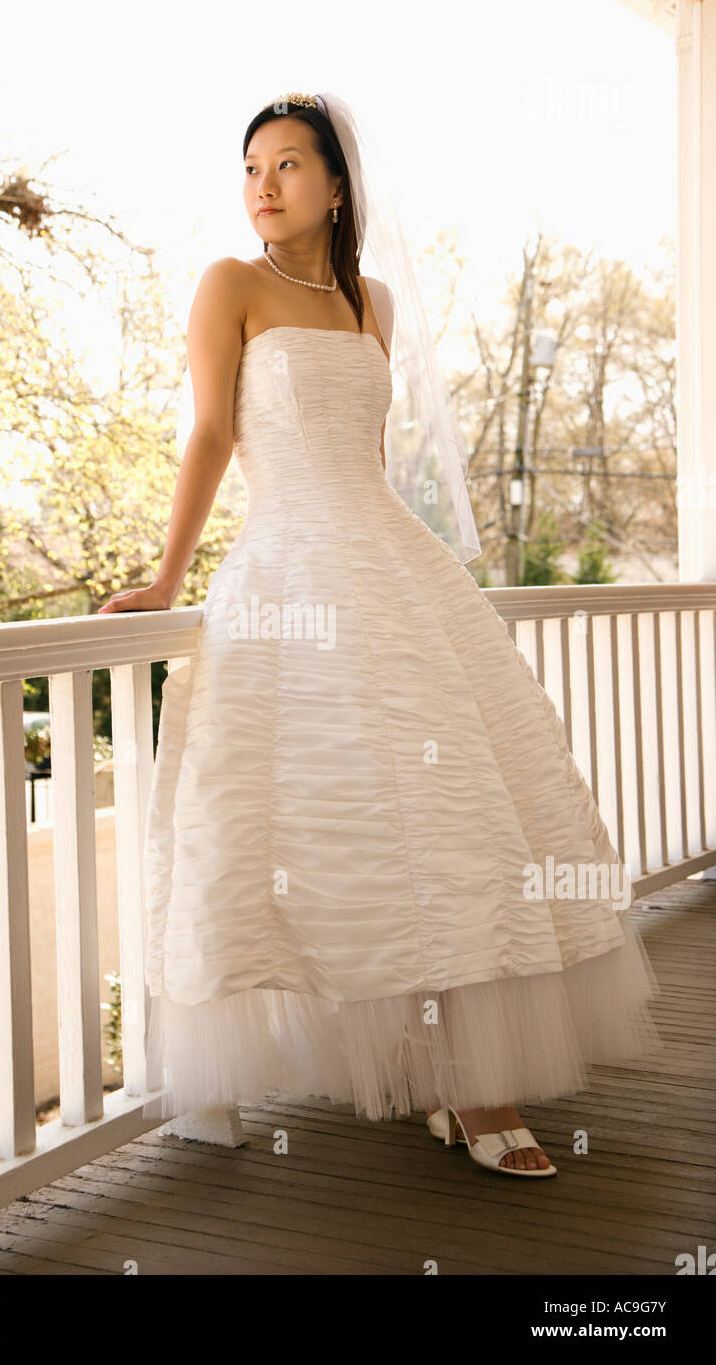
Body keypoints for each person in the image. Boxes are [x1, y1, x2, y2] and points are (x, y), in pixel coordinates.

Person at [98, 92, 660, 1179]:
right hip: (287, 579)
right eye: (251, 167)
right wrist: (167, 577)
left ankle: (472, 1086)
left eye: (290, 165)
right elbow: (212, 431)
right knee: (323, 829)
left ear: (338, 185)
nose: (264, 185)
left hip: (396, 571)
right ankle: (321, 1082)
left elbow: (374, 451)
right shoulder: (230, 286)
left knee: (452, 820)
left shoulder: (376, 303)